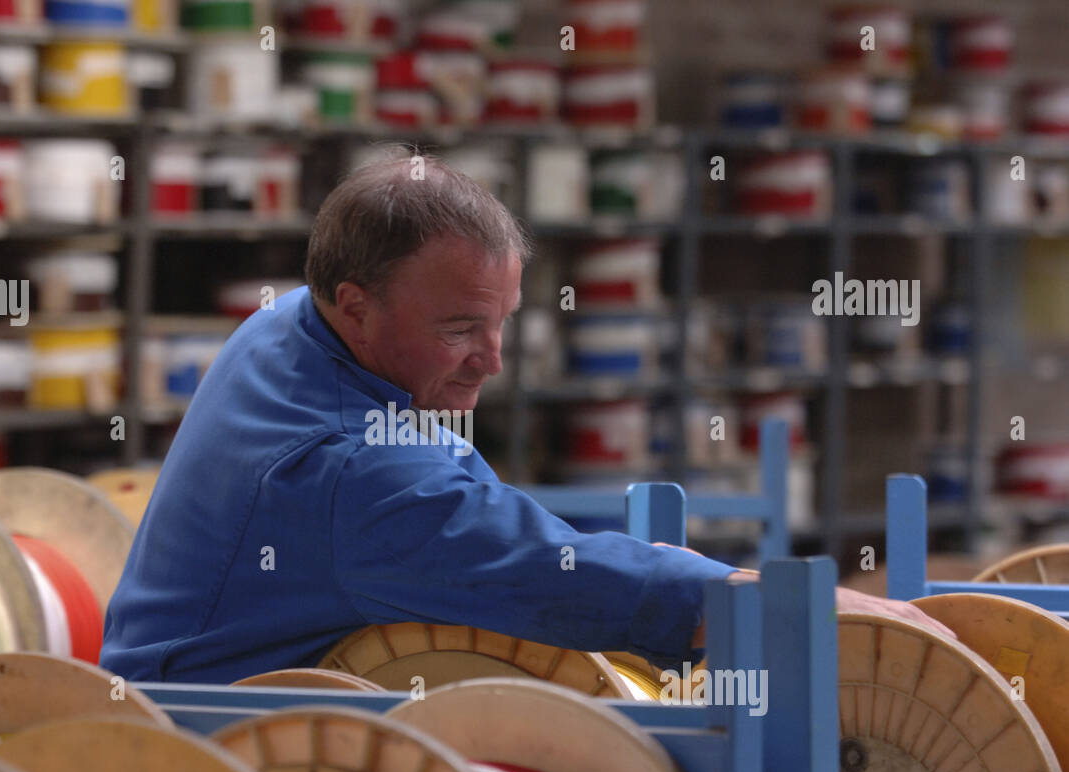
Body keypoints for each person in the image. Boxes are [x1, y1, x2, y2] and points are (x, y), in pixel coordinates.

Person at [101, 152, 952, 684]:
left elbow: (473, 529)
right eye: (460, 329)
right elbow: (544, 572)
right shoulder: (352, 475)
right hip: (210, 736)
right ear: (356, 305)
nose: (494, 359)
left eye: (501, 320)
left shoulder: (291, 323)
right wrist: (767, 602)